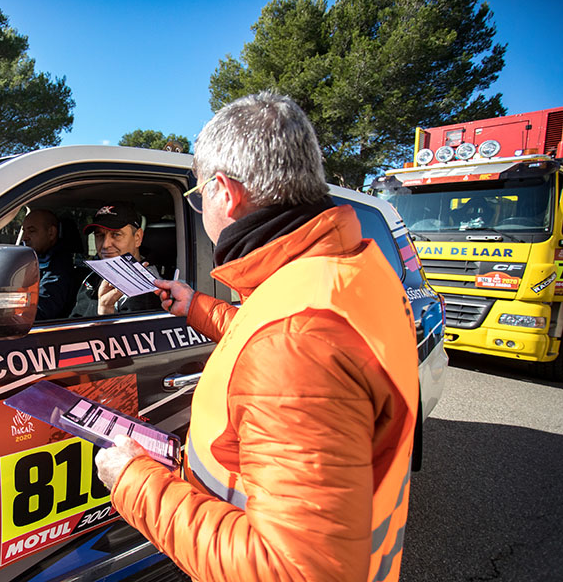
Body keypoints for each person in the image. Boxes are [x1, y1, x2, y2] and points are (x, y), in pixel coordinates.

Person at [95, 92, 419, 582]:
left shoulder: (295, 340)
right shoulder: (344, 271)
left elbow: (294, 571)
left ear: (225, 192)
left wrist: (136, 483)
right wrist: (198, 306)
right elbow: (275, 329)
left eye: (199, 196)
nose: (201, 210)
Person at [69, 202, 160, 317]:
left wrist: (106, 312)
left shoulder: (148, 287)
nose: (105, 244)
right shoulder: (92, 277)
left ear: (137, 238)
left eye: (116, 235)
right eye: (99, 235)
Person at [21, 209, 75, 320]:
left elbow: (40, 311)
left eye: (31, 231)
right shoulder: (35, 260)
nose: (24, 238)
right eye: (24, 231)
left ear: (51, 233)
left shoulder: (59, 267)